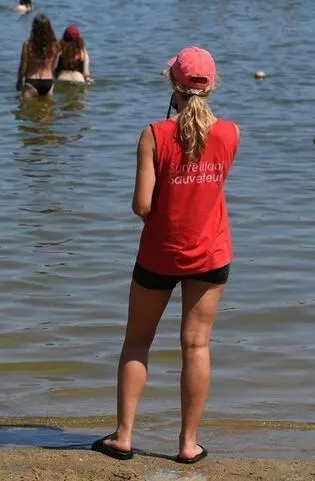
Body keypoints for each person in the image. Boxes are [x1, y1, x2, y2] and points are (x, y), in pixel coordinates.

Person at [92, 46, 239, 466]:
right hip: (211, 253)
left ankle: (123, 437)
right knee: (196, 346)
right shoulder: (231, 133)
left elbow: (142, 205)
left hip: (160, 253)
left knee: (137, 341)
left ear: (172, 86)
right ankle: (187, 444)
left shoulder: (154, 133)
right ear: (211, 86)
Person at [16, 14, 61, 98]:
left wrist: (19, 81)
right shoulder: (56, 46)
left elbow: (23, 67)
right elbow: (54, 67)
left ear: (34, 27)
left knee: (26, 110)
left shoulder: (28, 45)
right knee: (47, 110)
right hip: (48, 82)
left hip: (31, 81)